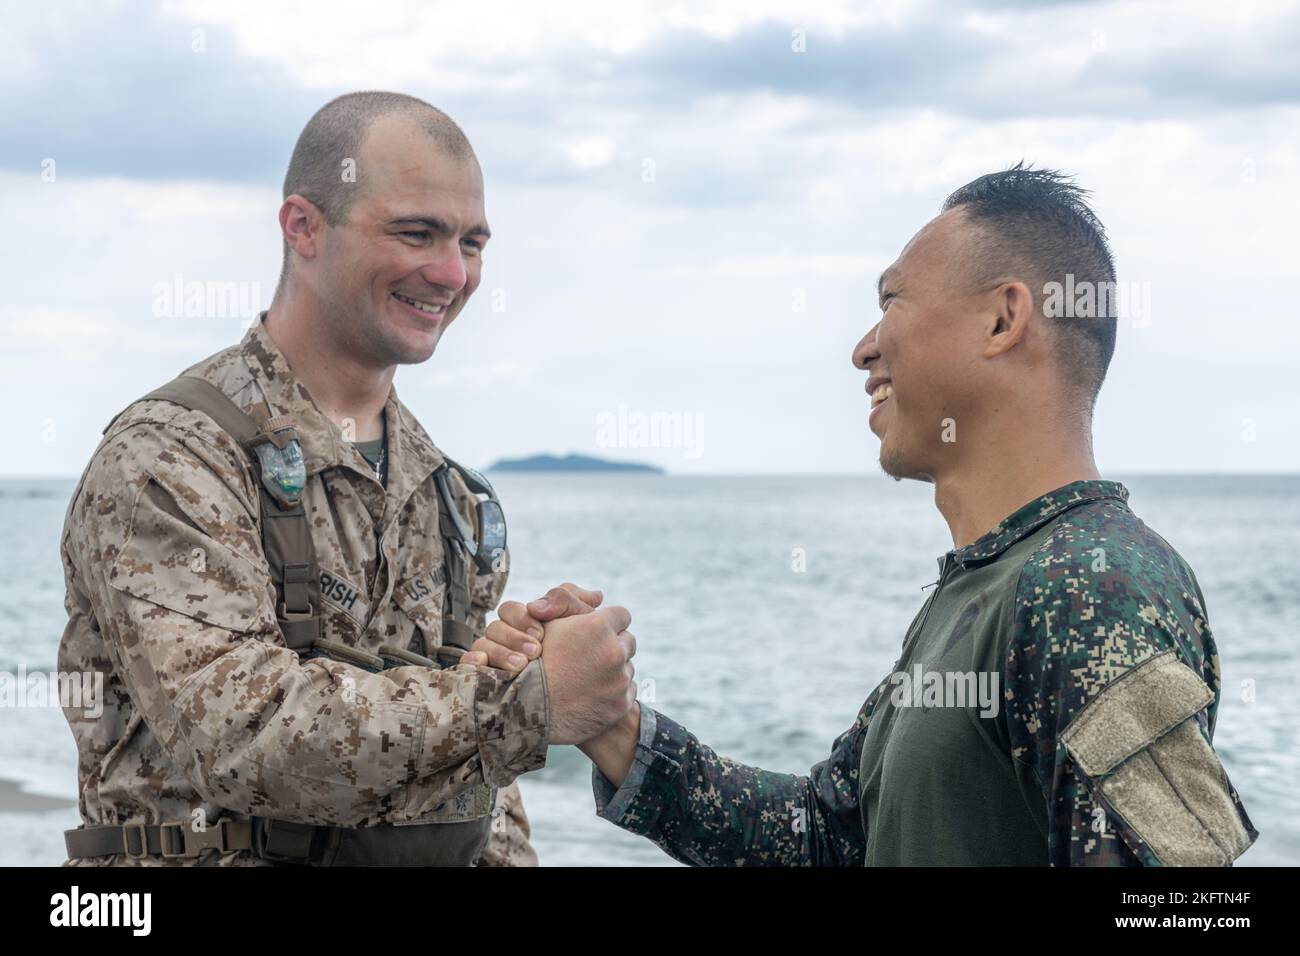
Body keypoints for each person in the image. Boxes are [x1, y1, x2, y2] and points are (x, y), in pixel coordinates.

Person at [471, 164, 1260, 866]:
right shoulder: (981, 591)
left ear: (1002, 319)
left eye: (891, 302)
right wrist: (609, 722)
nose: (863, 349)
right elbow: (826, 837)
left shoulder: (1091, 584)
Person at [57, 91, 636, 866]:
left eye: (472, 242)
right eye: (417, 233)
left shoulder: (453, 501)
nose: (451, 273)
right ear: (303, 227)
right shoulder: (169, 459)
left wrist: (515, 681)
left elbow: (479, 799)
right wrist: (528, 702)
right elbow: (239, 738)